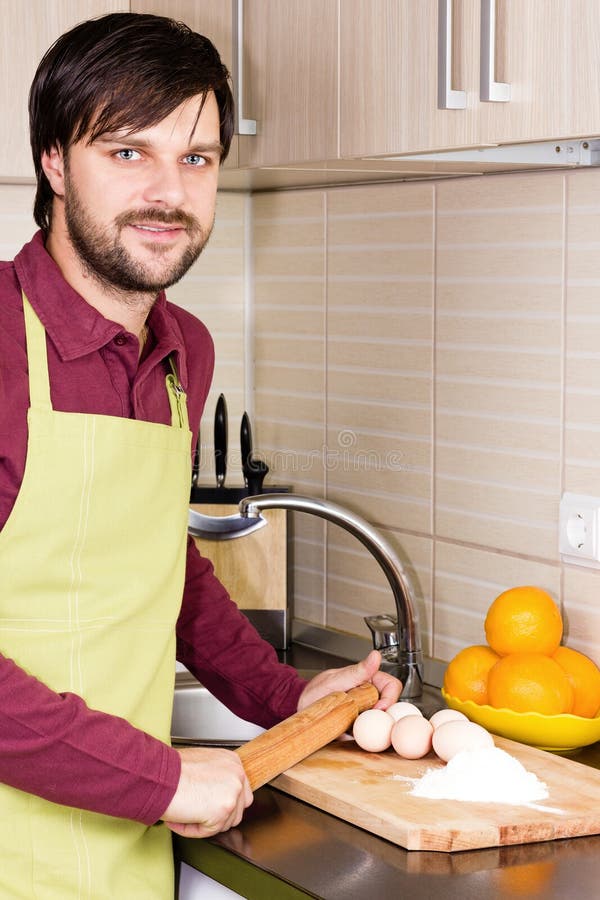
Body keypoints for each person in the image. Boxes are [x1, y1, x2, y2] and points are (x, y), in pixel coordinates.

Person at [0, 12, 402, 899]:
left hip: (121, 859)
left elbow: (152, 560)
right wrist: (163, 778)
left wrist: (282, 696)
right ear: (55, 164)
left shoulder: (183, 350)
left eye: (197, 158)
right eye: (126, 152)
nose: (168, 192)